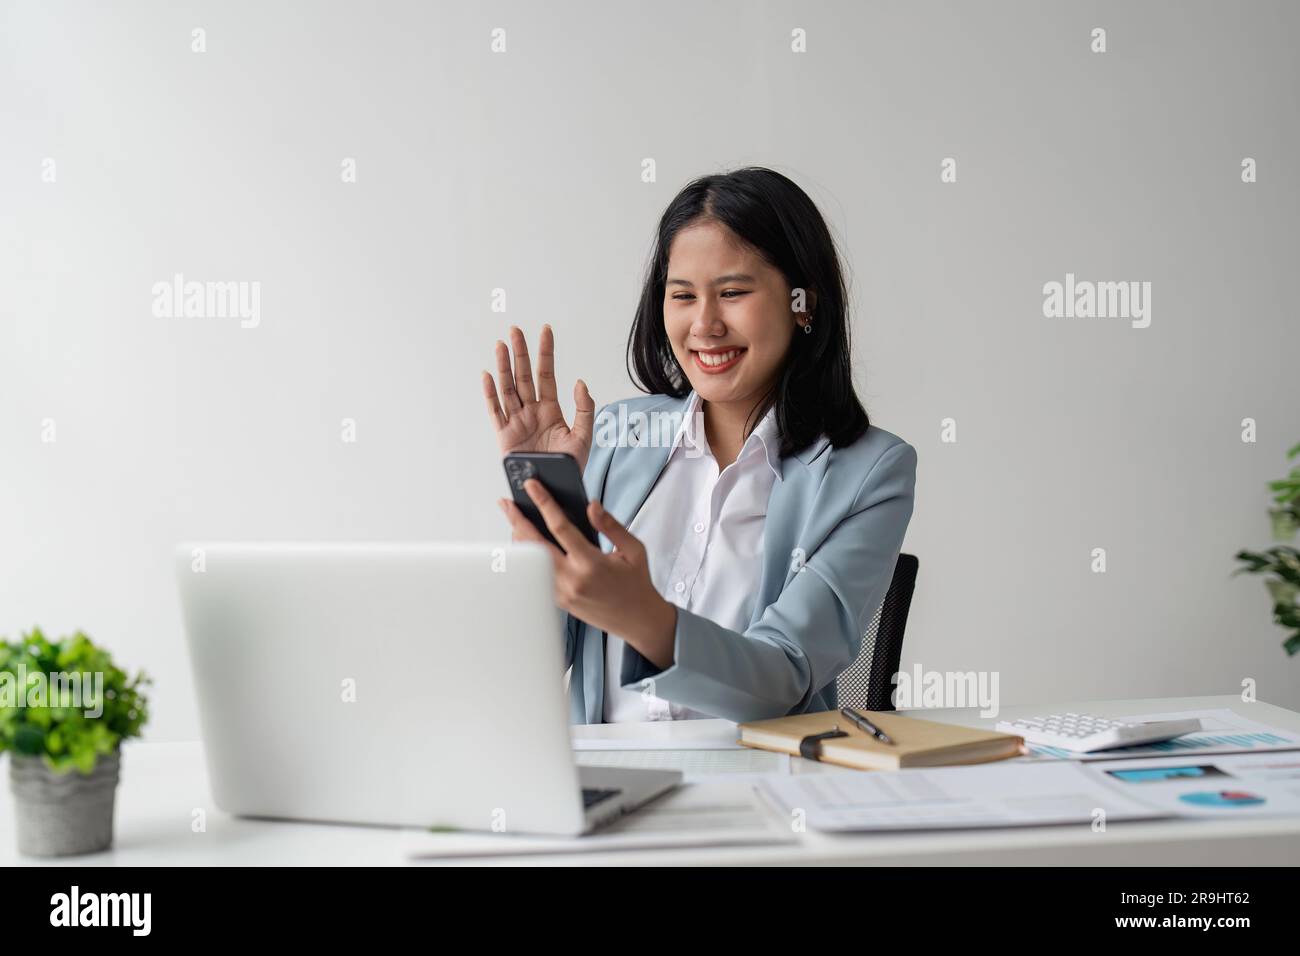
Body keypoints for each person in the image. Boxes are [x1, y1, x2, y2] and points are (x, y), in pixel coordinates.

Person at [484, 167, 916, 725]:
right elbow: (525, 665)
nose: (705, 325)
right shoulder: (617, 438)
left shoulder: (870, 473)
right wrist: (545, 500)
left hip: (756, 790)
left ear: (803, 303)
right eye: (683, 295)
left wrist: (647, 620)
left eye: (733, 293)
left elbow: (782, 675)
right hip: (606, 785)